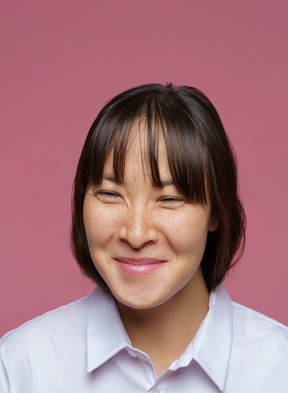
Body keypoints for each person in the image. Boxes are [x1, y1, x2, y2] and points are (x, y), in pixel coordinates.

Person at [0, 84, 287, 392]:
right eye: (110, 194)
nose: (136, 234)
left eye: (169, 199)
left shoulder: (278, 367)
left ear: (216, 212)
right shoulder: (22, 365)